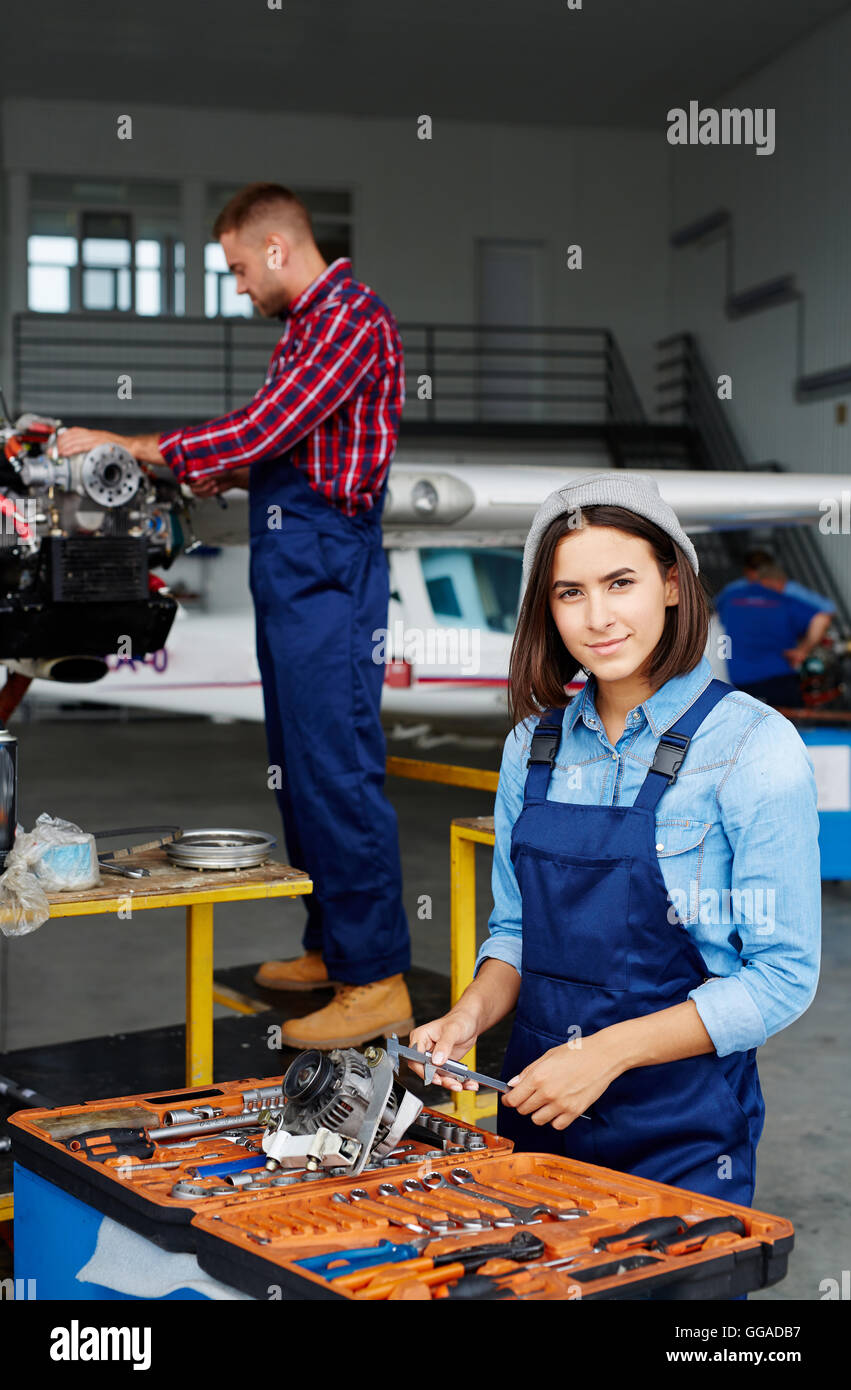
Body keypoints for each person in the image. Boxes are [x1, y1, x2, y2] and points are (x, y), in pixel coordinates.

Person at [56, 182, 414, 1049]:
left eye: (240, 269)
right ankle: (333, 947)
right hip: (296, 557)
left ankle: (377, 982)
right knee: (298, 760)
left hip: (325, 561)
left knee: (335, 766)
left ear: (280, 250)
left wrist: (122, 446)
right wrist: (227, 473)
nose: (240, 287)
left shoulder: (349, 318)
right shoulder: (305, 330)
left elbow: (263, 430)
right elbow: (286, 452)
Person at [409, 473, 821, 1218]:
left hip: (682, 1134)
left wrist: (603, 1053)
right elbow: (516, 931)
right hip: (537, 1111)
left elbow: (781, 978)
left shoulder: (751, 746)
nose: (596, 617)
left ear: (671, 584)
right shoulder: (528, 748)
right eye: (569, 592)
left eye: (619, 582)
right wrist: (467, 1016)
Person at [715, 549, 834, 707]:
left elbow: (714, 616)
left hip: (739, 682)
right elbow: (823, 617)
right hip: (779, 678)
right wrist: (802, 650)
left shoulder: (730, 595)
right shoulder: (786, 597)